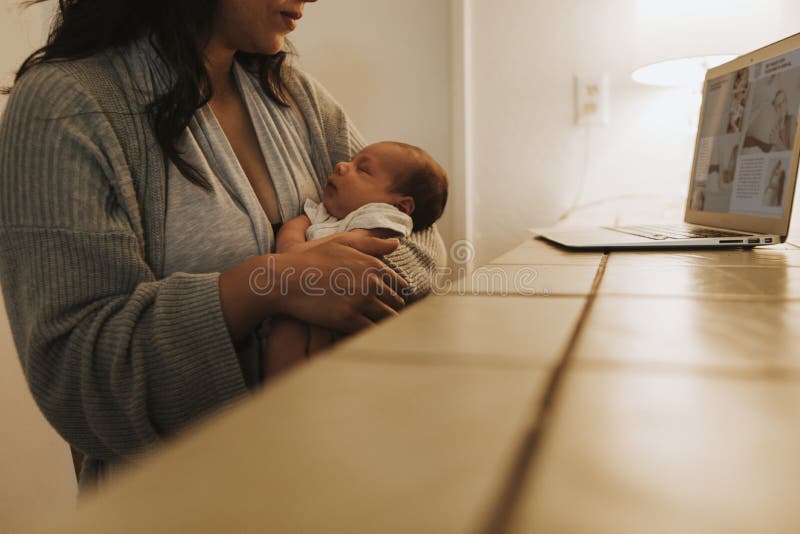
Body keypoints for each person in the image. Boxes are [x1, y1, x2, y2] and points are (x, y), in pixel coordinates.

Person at [0, 0, 446, 489]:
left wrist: (331, 271)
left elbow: (424, 241)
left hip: (330, 474)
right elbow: (79, 377)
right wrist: (271, 284)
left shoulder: (291, 94)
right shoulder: (63, 107)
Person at [263, 141, 448, 377]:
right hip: (300, 296)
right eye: (351, 160)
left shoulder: (384, 217)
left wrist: (293, 260)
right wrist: (291, 250)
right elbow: (292, 227)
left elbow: (351, 245)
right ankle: (276, 401)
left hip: (341, 302)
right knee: (286, 331)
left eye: (363, 169)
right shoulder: (324, 212)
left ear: (400, 205)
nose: (341, 165)